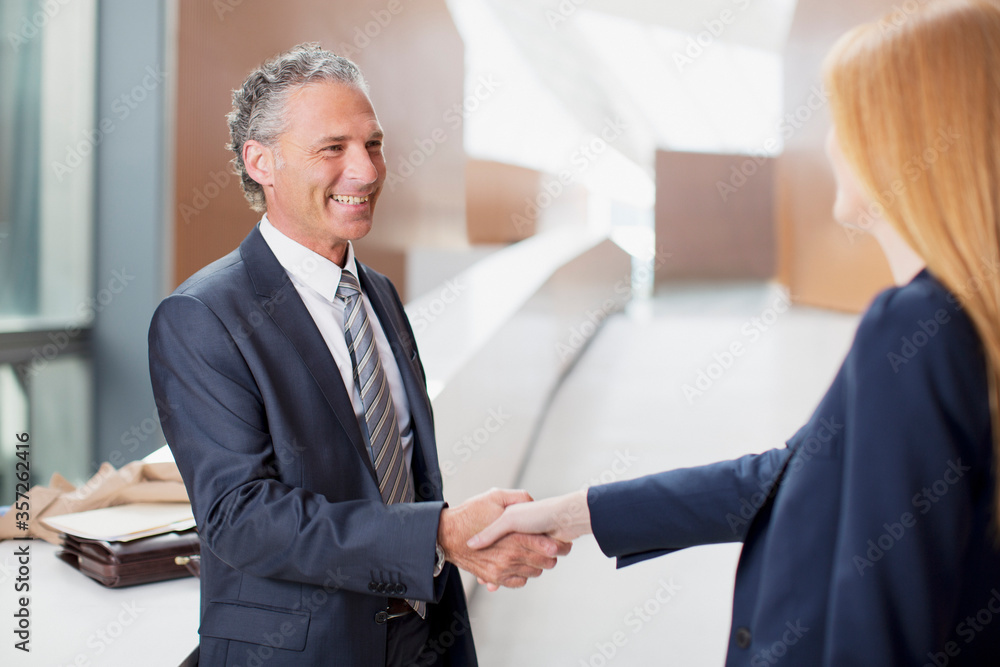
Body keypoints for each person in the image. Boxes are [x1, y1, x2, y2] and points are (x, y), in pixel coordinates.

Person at [470, 1, 1000, 663]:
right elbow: (789, 473)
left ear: (902, 142)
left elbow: (882, 628)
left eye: (849, 119)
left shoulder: (915, 325)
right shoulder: (965, 317)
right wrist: (575, 513)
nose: (833, 142)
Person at [148, 44, 568, 667]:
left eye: (372, 145)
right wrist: (440, 534)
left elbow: (399, 470)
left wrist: (450, 543)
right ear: (260, 162)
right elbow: (241, 520)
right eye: (332, 149)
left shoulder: (380, 295)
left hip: (425, 631)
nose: (366, 171)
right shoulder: (203, 317)